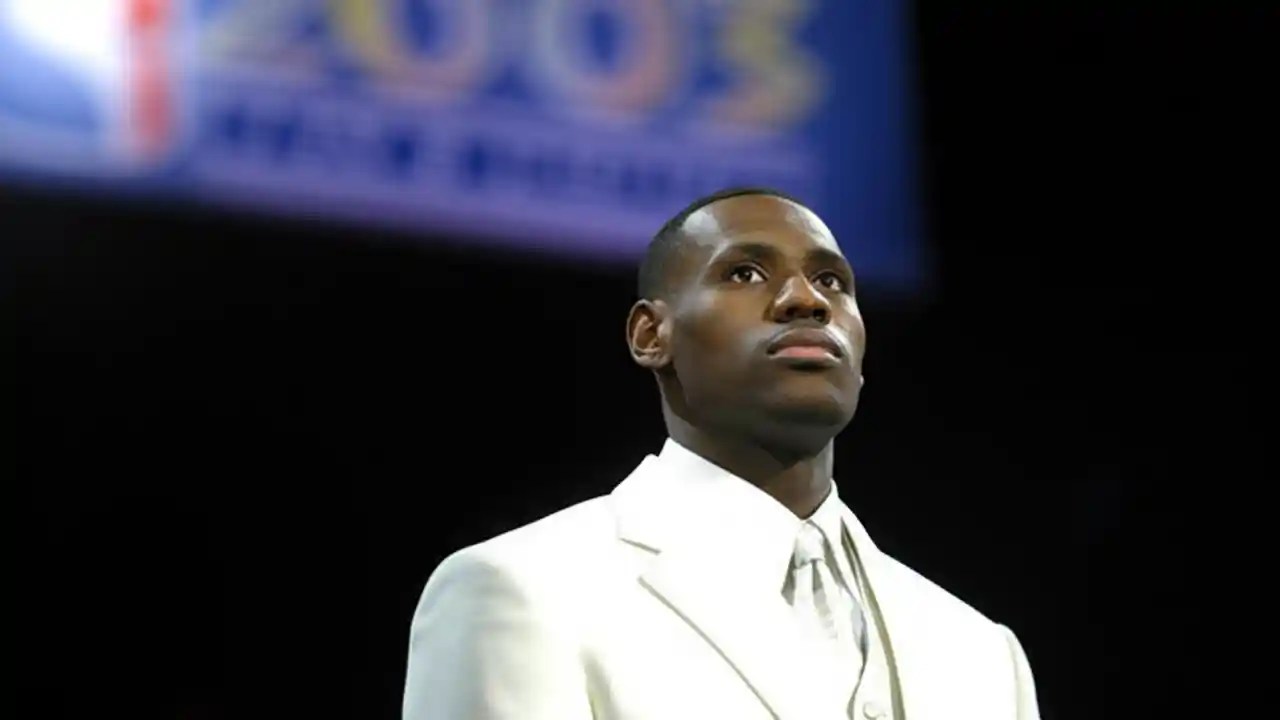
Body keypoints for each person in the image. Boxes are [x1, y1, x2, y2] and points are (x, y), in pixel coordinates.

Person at [401, 188, 1041, 720]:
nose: (806, 300)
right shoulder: (523, 590)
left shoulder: (981, 651)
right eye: (745, 272)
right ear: (652, 335)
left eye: (831, 281)